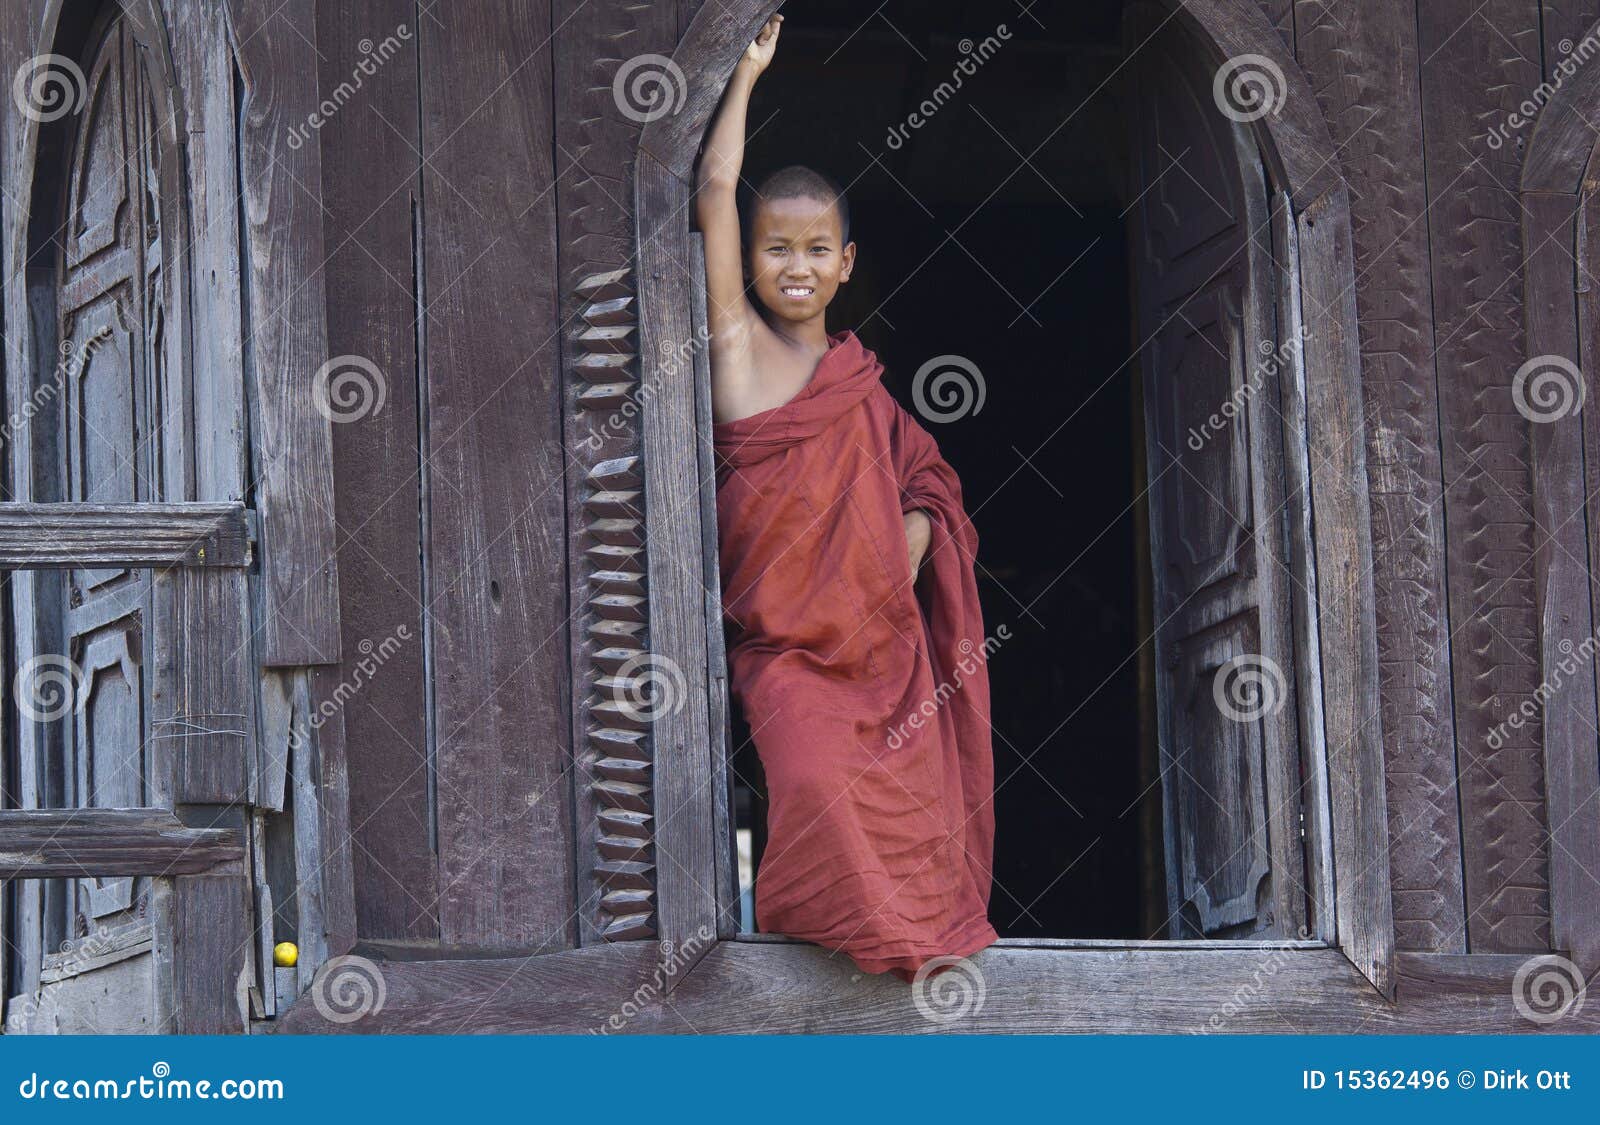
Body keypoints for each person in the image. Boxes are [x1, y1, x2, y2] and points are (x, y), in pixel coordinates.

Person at [694, 13, 999, 982]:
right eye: (776, 248)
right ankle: (811, 966)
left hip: (880, 653)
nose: (796, 266)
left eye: (816, 248)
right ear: (750, 260)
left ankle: (900, 965)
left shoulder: (861, 385)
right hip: (786, 651)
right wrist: (744, 77)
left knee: (915, 803)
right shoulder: (737, 350)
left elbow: (932, 480)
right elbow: (713, 190)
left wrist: (910, 535)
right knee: (814, 781)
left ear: (846, 262)